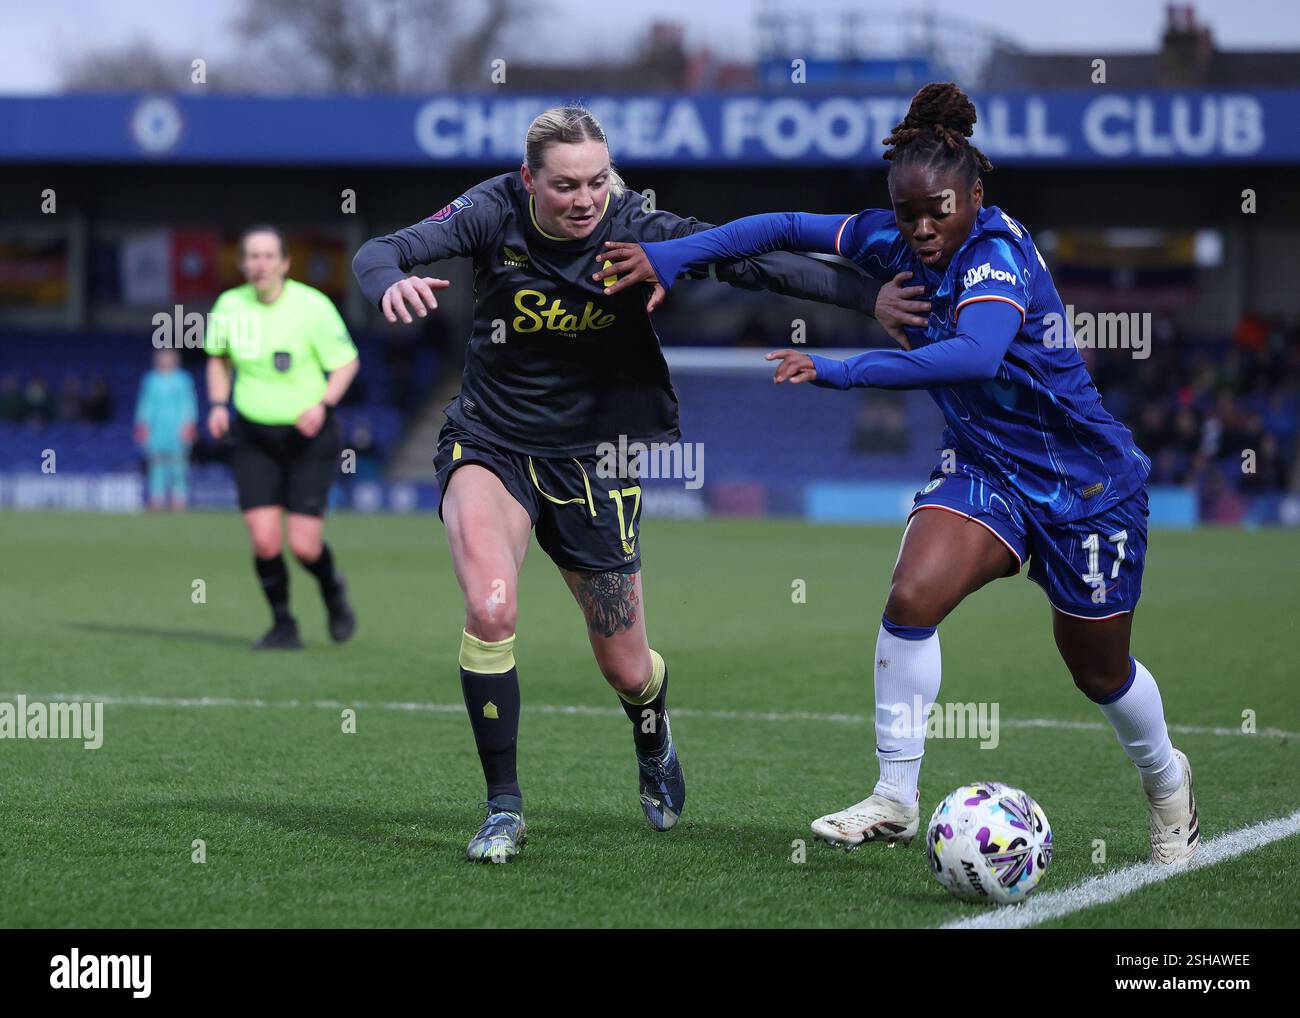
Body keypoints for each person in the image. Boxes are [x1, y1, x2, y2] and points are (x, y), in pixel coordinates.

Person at [598, 82, 1199, 867]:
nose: (921, 230)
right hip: (987, 468)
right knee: (912, 595)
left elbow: (975, 353)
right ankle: (894, 795)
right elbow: (781, 226)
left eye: (938, 211)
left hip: (1087, 486)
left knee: (1099, 671)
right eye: (908, 213)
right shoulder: (893, 238)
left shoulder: (998, 253)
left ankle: (1166, 783)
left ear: (975, 197)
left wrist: (841, 370)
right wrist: (675, 256)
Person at [353, 104, 889, 863]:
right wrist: (386, 284)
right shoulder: (490, 211)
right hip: (491, 440)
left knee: (628, 668)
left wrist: (874, 300)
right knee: (491, 606)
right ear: (528, 180)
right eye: (564, 184)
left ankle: (651, 731)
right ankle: (503, 807)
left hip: (596, 459)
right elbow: (384, 248)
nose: (583, 199)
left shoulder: (641, 225)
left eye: (596, 181)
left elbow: (757, 264)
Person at [206, 225, 360, 650]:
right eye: (252, 256)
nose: (260, 264)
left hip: (308, 438)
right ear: (241, 264)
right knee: (263, 538)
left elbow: (347, 363)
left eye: (268, 256)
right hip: (253, 437)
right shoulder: (228, 305)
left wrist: (323, 405)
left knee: (305, 547)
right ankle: (283, 625)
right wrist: (218, 405)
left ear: (285, 262)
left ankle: (332, 591)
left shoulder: (313, 307)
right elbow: (218, 360)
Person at [134, 348, 198, 510]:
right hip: (156, 430)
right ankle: (157, 499)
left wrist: (189, 424)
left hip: (177, 429)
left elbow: (188, 404)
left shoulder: (183, 379)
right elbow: (145, 405)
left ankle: (179, 500)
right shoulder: (150, 380)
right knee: (156, 466)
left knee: (179, 467)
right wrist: (142, 425)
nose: (166, 360)